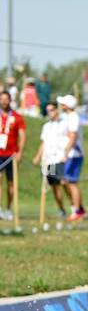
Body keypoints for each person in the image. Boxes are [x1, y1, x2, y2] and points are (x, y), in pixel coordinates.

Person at [32, 101, 68, 217]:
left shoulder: (64, 124)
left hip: (60, 159)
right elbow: (44, 143)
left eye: (51, 110)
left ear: (56, 110)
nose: (50, 113)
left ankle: (75, 206)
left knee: (65, 183)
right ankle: (62, 209)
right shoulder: (46, 127)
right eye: (48, 111)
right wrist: (38, 156)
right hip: (50, 161)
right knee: (54, 185)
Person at [56, 95, 85, 221]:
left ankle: (77, 211)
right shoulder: (67, 118)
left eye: (63, 104)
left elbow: (73, 136)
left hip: (73, 155)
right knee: (63, 181)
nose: (61, 106)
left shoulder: (73, 117)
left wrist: (65, 153)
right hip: (65, 155)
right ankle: (78, 207)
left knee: (71, 182)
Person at [0, 90, 26, 221]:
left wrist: (20, 152)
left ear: (10, 100)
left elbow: (22, 135)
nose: (4, 101)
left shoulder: (17, 117)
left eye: (6, 99)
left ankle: (8, 209)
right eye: (2, 99)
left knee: (11, 183)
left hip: (11, 155)